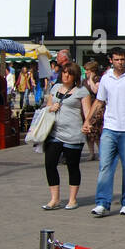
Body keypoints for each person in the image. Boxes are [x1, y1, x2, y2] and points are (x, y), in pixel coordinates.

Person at [84, 47, 125, 217]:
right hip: (110, 128)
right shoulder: (106, 78)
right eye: (117, 59)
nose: (120, 62)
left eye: (123, 59)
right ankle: (102, 203)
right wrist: (87, 121)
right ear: (111, 60)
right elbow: (99, 101)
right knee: (105, 166)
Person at [42, 62, 93, 210]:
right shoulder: (56, 88)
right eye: (64, 72)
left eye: (69, 73)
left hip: (73, 134)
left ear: (75, 76)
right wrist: (51, 108)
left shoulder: (82, 91)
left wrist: (87, 124)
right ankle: (55, 199)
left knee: (72, 166)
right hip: (54, 133)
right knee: (50, 164)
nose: (66, 75)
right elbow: (47, 107)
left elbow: (87, 112)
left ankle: (72, 199)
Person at [83, 63, 103, 161]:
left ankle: (100, 152)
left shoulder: (97, 79)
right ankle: (91, 153)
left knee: (96, 132)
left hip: (96, 109)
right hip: (86, 107)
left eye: (87, 70)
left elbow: (96, 91)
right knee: (88, 133)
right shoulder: (83, 81)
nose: (86, 72)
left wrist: (91, 80)